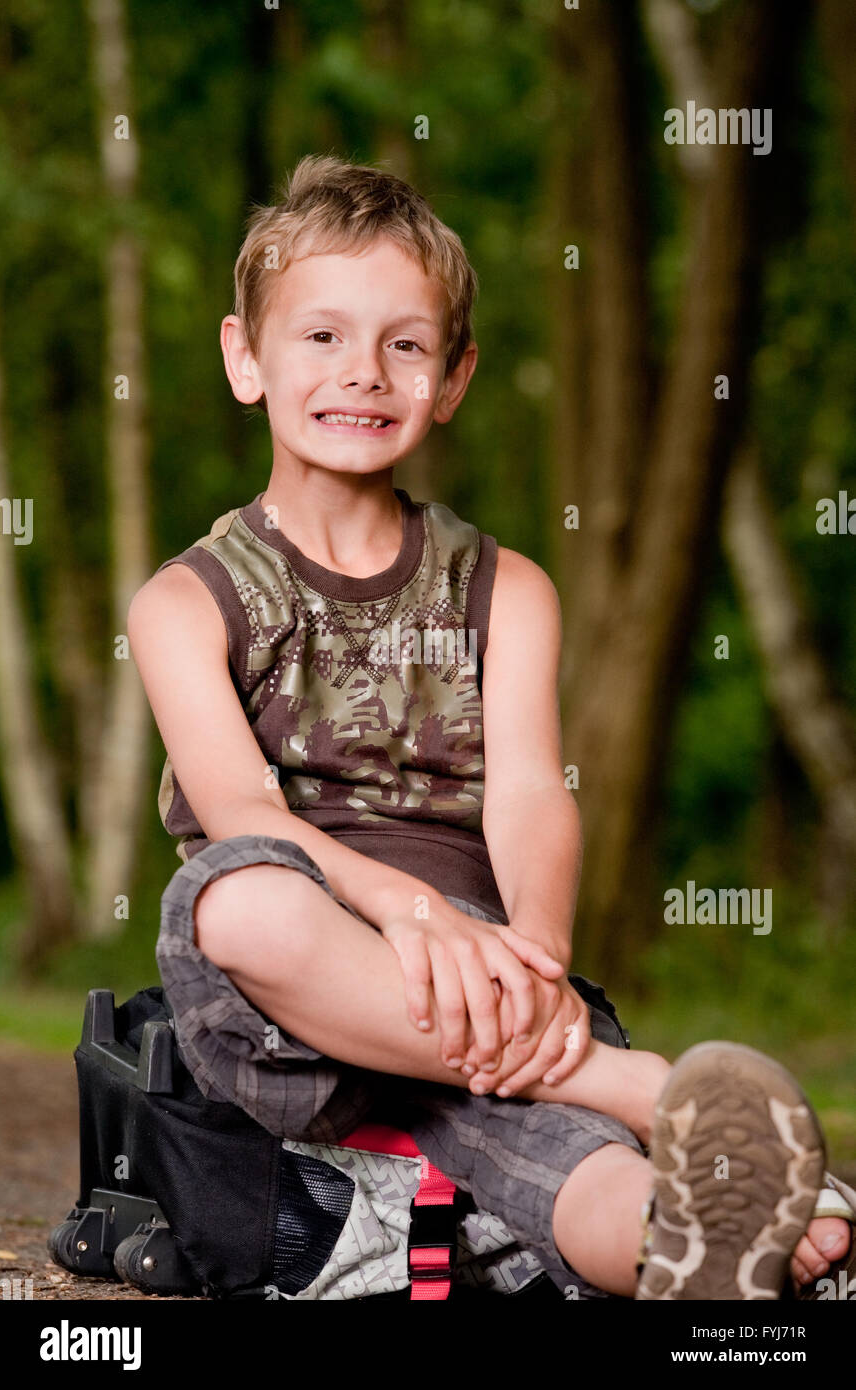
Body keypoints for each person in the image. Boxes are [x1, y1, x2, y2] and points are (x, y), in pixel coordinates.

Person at [128, 154, 854, 1301]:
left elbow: (526, 793)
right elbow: (242, 812)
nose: (361, 372)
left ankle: (701, 1251)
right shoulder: (183, 601)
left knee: (558, 1163)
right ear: (243, 356)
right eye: (320, 336)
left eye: (404, 345)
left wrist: (534, 960)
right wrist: (413, 917)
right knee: (231, 896)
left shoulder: (507, 586)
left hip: (485, 977)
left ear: (454, 375)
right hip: (296, 990)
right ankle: (627, 1083)